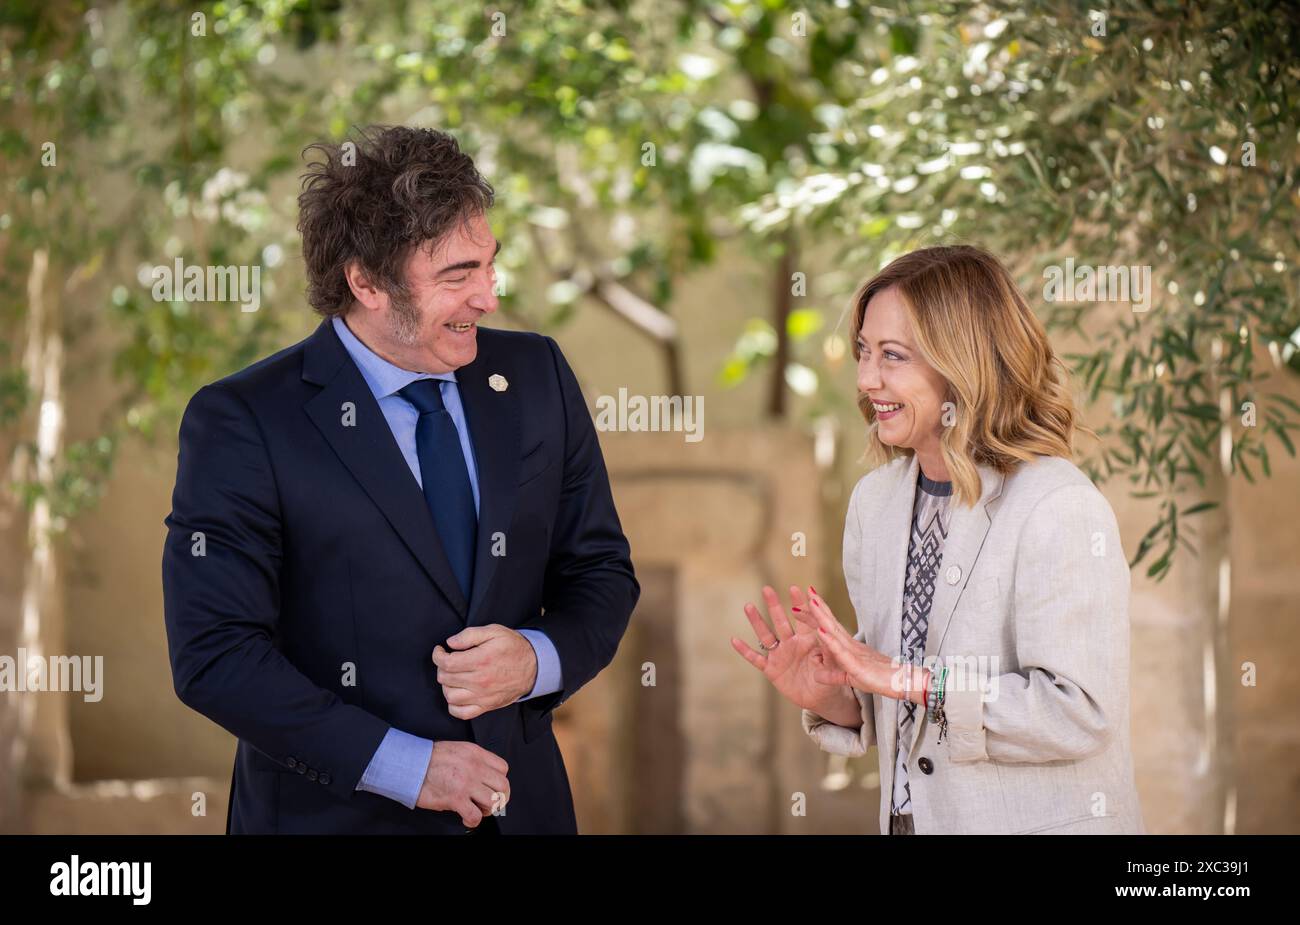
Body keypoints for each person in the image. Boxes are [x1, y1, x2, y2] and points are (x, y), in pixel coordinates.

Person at [162, 125, 639, 834]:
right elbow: (215, 655)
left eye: (488, 265)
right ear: (365, 281)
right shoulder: (244, 421)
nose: (488, 296)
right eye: (457, 275)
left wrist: (535, 659)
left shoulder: (537, 376)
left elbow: (601, 570)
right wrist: (406, 765)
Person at [732, 245, 1144, 835]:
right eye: (864, 352)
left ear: (964, 365)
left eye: (893, 356)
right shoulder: (875, 503)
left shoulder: (1058, 506)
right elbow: (906, 704)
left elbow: (1078, 714)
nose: (868, 378)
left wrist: (909, 679)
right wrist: (834, 695)